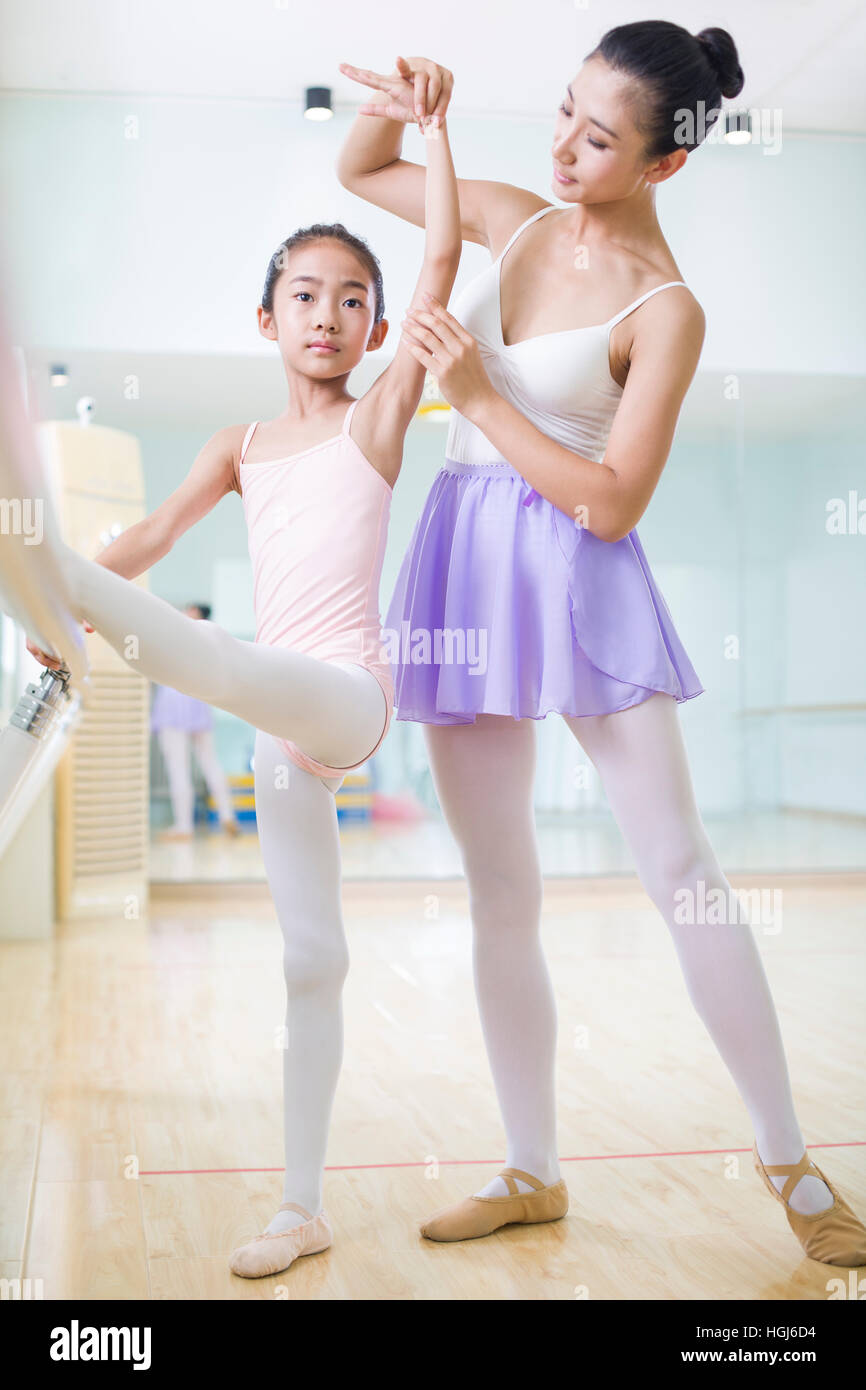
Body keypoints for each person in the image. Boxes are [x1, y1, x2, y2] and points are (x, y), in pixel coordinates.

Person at [338, 26, 866, 1265]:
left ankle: (790, 1165)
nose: (564, 146)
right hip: (465, 556)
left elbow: (614, 498)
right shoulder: (516, 219)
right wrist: (408, 103)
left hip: (576, 566)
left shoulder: (665, 308)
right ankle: (531, 1168)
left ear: (661, 165)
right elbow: (366, 174)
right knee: (498, 888)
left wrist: (472, 398)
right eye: (564, 112)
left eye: (597, 136)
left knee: (679, 861)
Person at [21, 100, 463, 1277]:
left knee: (213, 663)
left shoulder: (378, 418)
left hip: (343, 696)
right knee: (309, 959)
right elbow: (152, 537)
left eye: (351, 299)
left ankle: (30, 555)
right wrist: (68, 606)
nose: (330, 314)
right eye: (306, 295)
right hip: (278, 727)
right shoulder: (236, 444)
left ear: (375, 328)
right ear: (266, 319)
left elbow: (441, 257)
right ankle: (300, 1204)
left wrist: (431, 132)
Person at [150, 603, 240, 842]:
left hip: (173, 704)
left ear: (197, 616)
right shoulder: (209, 642)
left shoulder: (175, 636)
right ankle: (226, 815)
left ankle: (184, 826)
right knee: (209, 762)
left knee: (178, 768)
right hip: (198, 702)